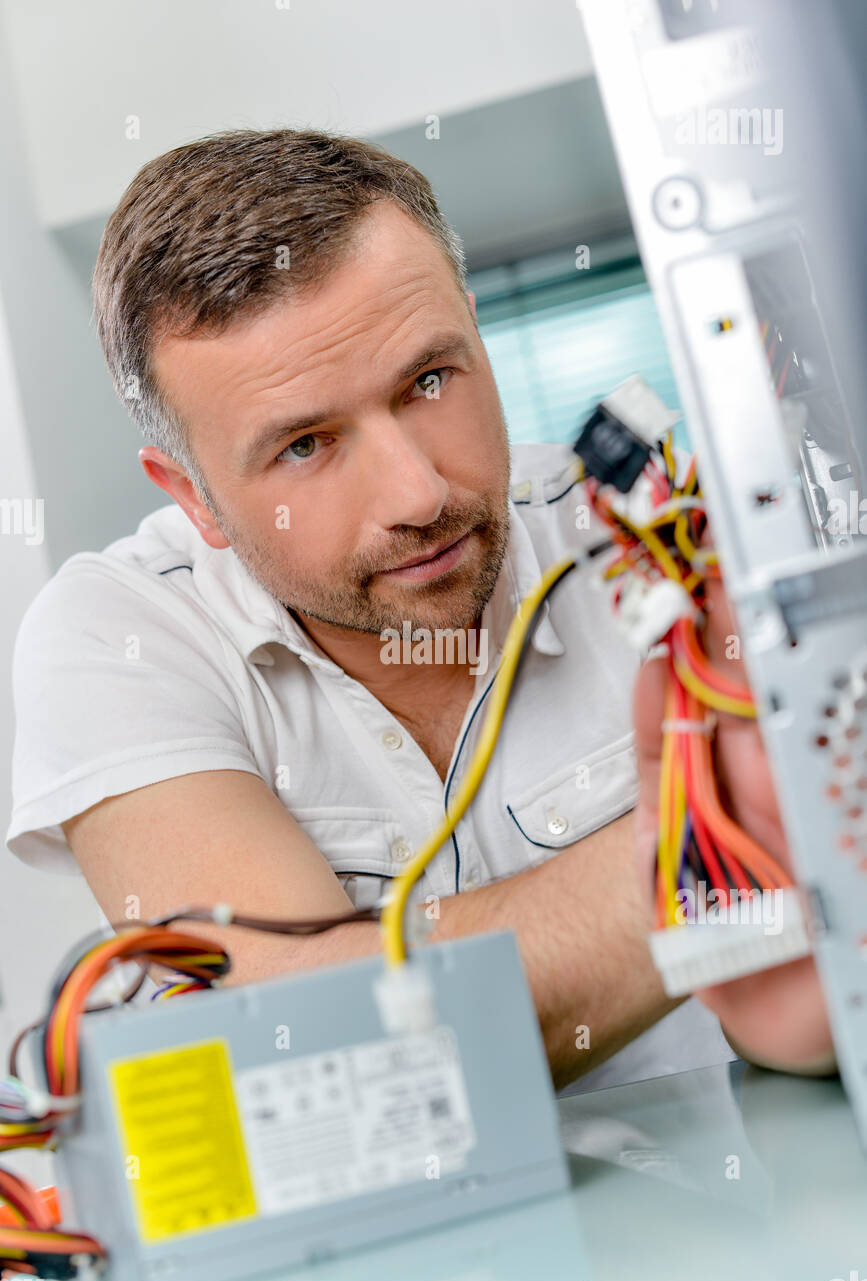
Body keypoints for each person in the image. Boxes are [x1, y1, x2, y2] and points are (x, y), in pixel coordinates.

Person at [5, 129, 835, 1093]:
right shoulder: (123, 634)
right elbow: (314, 1041)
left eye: (429, 381)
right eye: (307, 445)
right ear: (191, 496)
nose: (417, 492)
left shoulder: (660, 536)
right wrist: (732, 840)